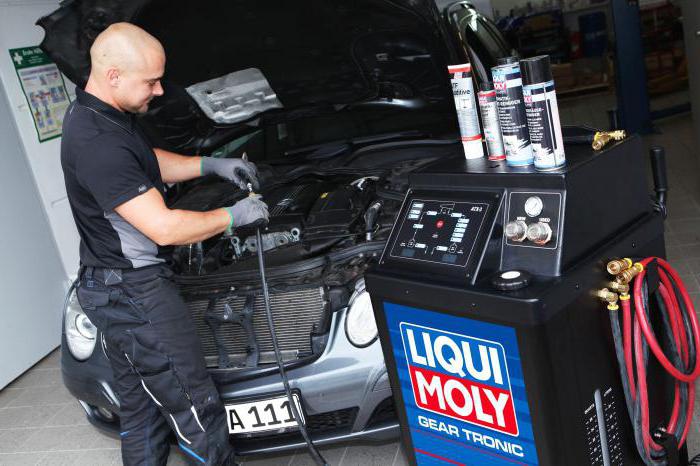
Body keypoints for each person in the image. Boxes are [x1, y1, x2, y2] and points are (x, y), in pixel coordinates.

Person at [60, 22, 268, 465]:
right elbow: (165, 229)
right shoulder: (98, 142)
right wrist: (233, 216)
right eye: (150, 81)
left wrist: (208, 165)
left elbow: (145, 161)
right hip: (134, 294)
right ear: (113, 74)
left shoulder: (102, 114)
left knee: (140, 412)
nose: (158, 91)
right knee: (195, 408)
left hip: (108, 287)